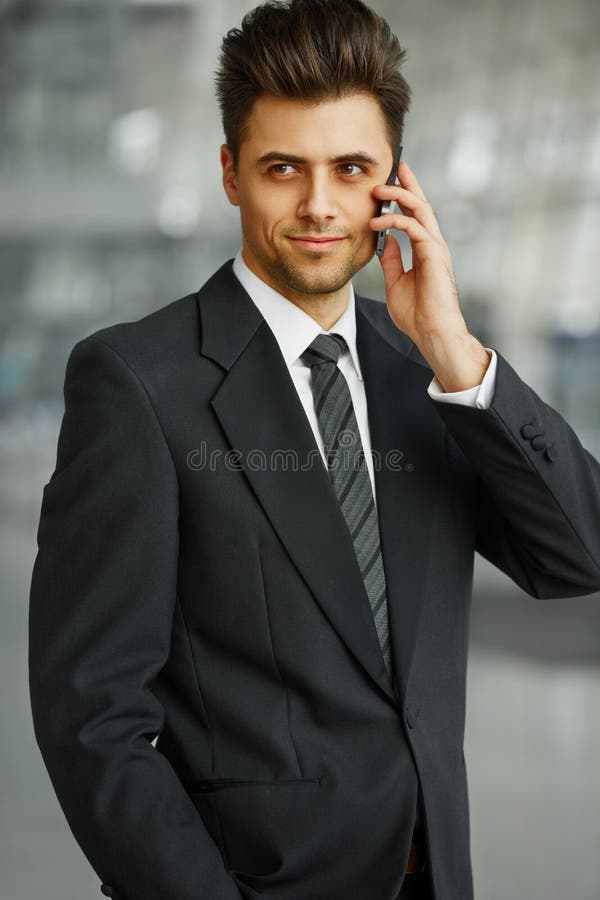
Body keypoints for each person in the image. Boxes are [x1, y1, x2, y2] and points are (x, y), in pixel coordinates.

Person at [28, 1, 600, 899]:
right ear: (230, 173)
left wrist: (456, 350)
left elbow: (579, 554)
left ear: (396, 182)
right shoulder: (137, 384)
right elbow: (89, 716)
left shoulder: (429, 368)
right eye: (283, 168)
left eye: (352, 168)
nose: (320, 206)